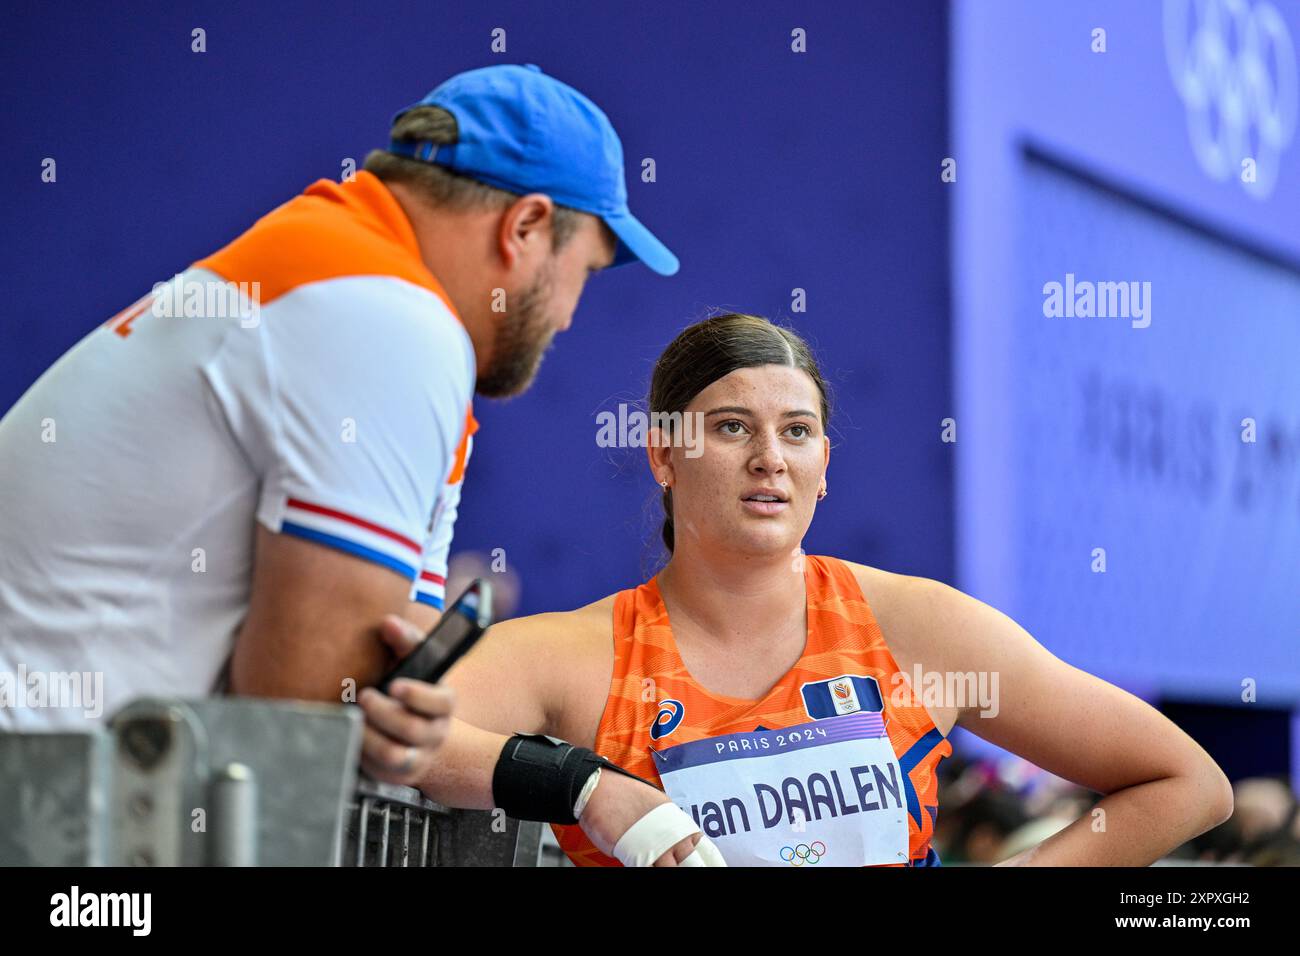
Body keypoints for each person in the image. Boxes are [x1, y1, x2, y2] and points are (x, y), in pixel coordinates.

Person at [0, 64, 678, 793]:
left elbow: (369, 681)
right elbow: (293, 730)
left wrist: (396, 716)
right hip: (40, 803)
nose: (570, 316)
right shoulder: (384, 317)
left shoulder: (347, 274)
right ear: (525, 228)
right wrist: (365, 712)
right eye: (585, 272)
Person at [367, 311, 1235, 866]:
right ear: (664, 455)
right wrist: (588, 786)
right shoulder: (580, 656)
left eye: (797, 432)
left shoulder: (917, 627)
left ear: (825, 465)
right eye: (731, 427)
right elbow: (382, 736)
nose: (769, 459)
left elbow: (1187, 781)